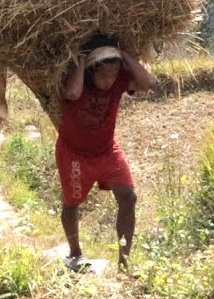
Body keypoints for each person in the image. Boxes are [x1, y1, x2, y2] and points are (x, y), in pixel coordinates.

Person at [57, 36, 156, 272]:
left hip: (107, 151)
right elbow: (71, 94)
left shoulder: (120, 81)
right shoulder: (75, 80)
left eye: (113, 75)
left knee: (128, 197)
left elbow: (148, 83)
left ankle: (124, 260)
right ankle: (75, 253)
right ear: (91, 72)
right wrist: (82, 62)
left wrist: (125, 56)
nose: (109, 81)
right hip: (75, 154)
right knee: (71, 203)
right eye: (103, 75)